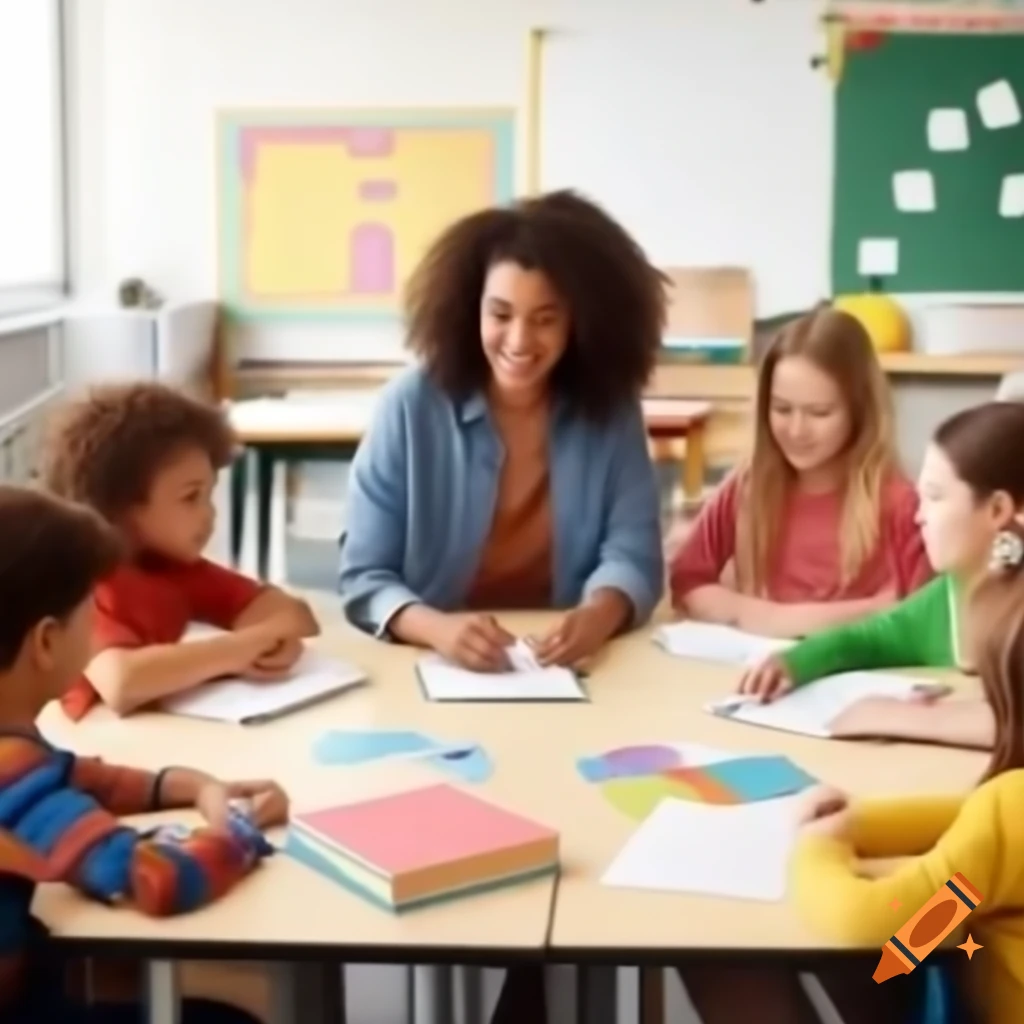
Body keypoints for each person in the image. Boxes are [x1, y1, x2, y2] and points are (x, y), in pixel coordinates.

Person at [339, 189, 666, 673]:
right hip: (429, 669)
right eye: (500, 314)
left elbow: (634, 554)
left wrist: (598, 615)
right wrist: (437, 630)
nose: (519, 341)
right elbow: (365, 575)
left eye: (546, 319)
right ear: (469, 308)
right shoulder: (408, 407)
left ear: (582, 322)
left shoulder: (610, 412)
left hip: (564, 671)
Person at [0, 485, 285, 1023]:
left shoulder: (19, 762)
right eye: (91, 612)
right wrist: (238, 831)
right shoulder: (14, 774)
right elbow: (157, 880)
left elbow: (74, 778)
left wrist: (190, 785)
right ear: (45, 642)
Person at [789, 520, 1024, 1024]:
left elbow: (871, 919)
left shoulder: (1006, 817)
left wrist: (818, 848)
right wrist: (863, 822)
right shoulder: (1006, 818)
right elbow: (979, 828)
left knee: (900, 959)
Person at [738, 400, 1024, 750]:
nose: (920, 516)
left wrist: (905, 717)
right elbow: (867, 639)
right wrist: (792, 662)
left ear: (998, 509)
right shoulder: (946, 599)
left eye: (935, 497)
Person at [40, 382, 320, 719]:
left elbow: (294, 615)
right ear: (121, 507)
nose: (210, 513)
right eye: (191, 498)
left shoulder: (175, 568)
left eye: (209, 494)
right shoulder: (86, 582)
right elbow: (122, 681)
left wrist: (273, 643)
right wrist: (244, 649)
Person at [670, 306, 931, 639]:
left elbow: (918, 617)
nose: (796, 430)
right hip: (757, 676)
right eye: (781, 409)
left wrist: (750, 614)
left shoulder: (898, 503)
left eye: (819, 413)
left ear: (860, 410)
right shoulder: (747, 486)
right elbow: (687, 582)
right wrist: (782, 618)